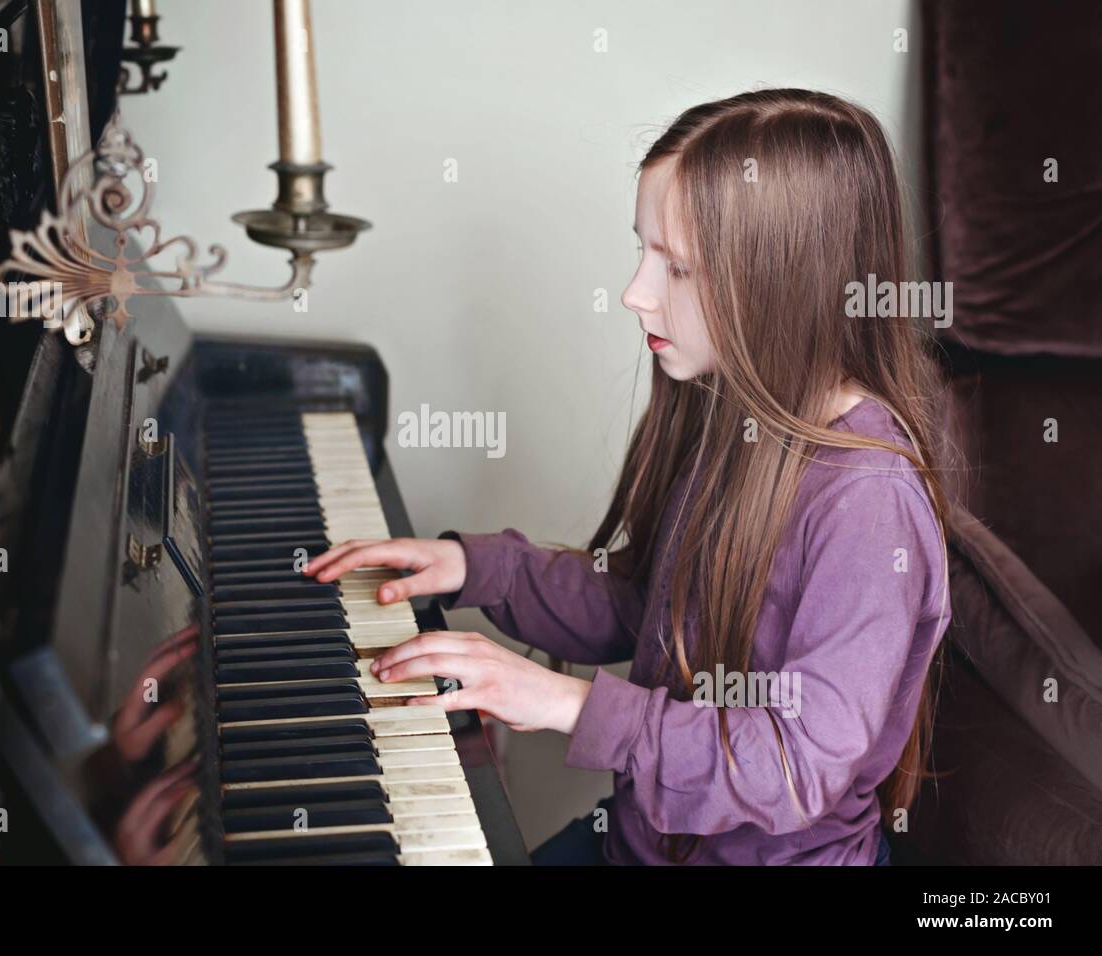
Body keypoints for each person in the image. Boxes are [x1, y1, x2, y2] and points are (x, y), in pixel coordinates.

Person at [305, 89, 953, 865]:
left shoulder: (868, 504)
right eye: (643, 251)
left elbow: (795, 765)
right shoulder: (732, 414)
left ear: (786, 282)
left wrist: (564, 703)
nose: (634, 293)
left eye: (677, 266)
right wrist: (478, 568)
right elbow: (647, 611)